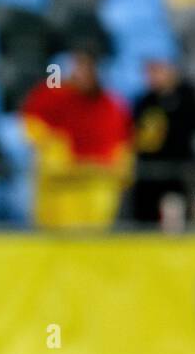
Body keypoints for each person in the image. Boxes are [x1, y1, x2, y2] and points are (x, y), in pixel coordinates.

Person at [21, 49, 133, 228]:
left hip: (96, 182)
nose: (81, 74)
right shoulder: (52, 96)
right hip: (60, 183)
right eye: (78, 67)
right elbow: (31, 125)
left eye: (86, 68)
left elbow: (121, 142)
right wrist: (54, 147)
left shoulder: (110, 105)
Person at [130, 57, 195, 224]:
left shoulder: (188, 97)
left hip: (179, 172)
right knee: (146, 217)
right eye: (149, 72)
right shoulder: (145, 101)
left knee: (177, 215)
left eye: (157, 71)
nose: (152, 77)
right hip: (150, 171)